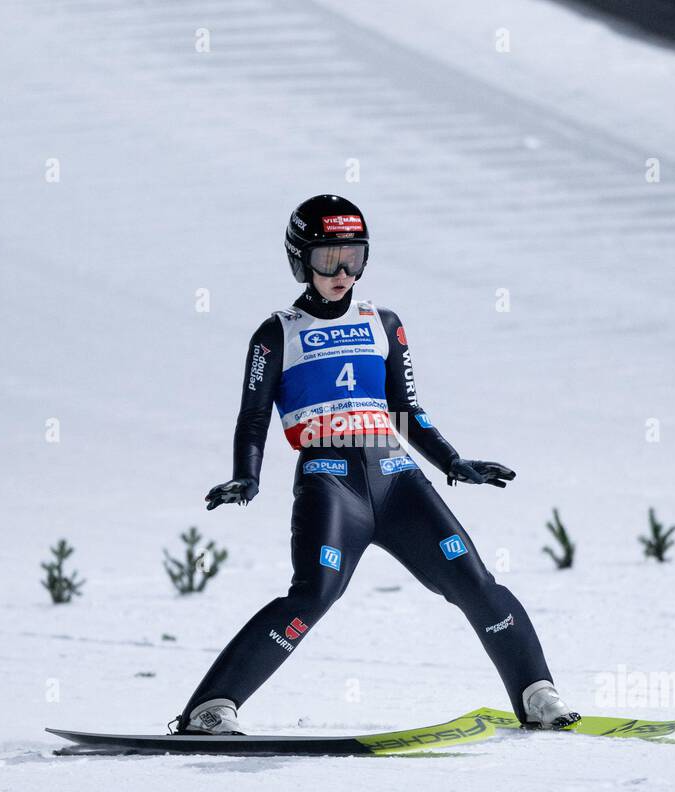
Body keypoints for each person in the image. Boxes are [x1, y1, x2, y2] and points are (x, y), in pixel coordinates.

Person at [172, 195, 579, 735]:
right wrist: (247, 475)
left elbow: (404, 412)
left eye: (354, 258)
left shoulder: (383, 322)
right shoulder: (276, 334)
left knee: (475, 582)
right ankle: (210, 708)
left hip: (398, 479)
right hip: (330, 483)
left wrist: (452, 462)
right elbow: (253, 418)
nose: (342, 273)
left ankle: (537, 695)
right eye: (327, 260)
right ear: (300, 261)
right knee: (313, 595)